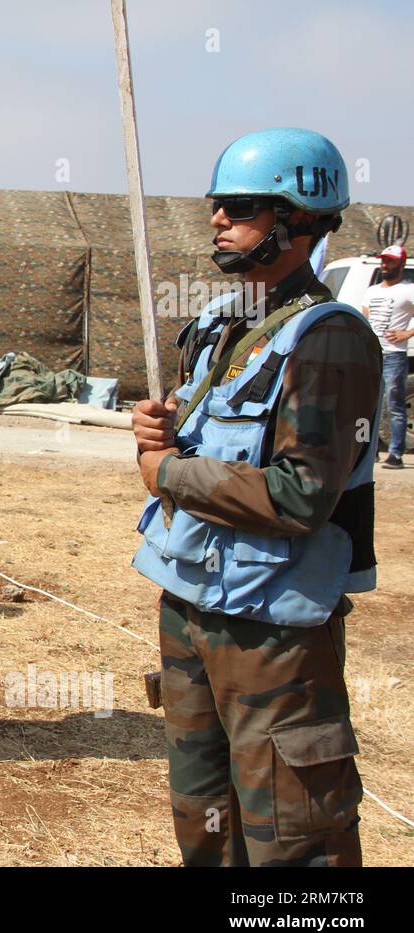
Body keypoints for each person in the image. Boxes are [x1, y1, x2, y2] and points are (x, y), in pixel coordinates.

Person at [132, 127, 380, 867]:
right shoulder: (222, 326)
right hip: (191, 599)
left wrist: (168, 474)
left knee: (294, 835)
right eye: (217, 205)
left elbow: (301, 494)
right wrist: (159, 428)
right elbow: (205, 440)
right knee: (204, 817)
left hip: (273, 624)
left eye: (240, 207)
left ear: (298, 221)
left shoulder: (327, 338)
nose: (217, 220)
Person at [360, 245, 414, 468]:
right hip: (371, 354)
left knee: (393, 404)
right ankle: (368, 451)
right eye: (383, 260)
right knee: (365, 403)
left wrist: (407, 333)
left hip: (394, 355)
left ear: (401, 264)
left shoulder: (409, 289)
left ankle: (396, 453)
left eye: (389, 261)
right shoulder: (372, 291)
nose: (384, 264)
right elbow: (364, 318)